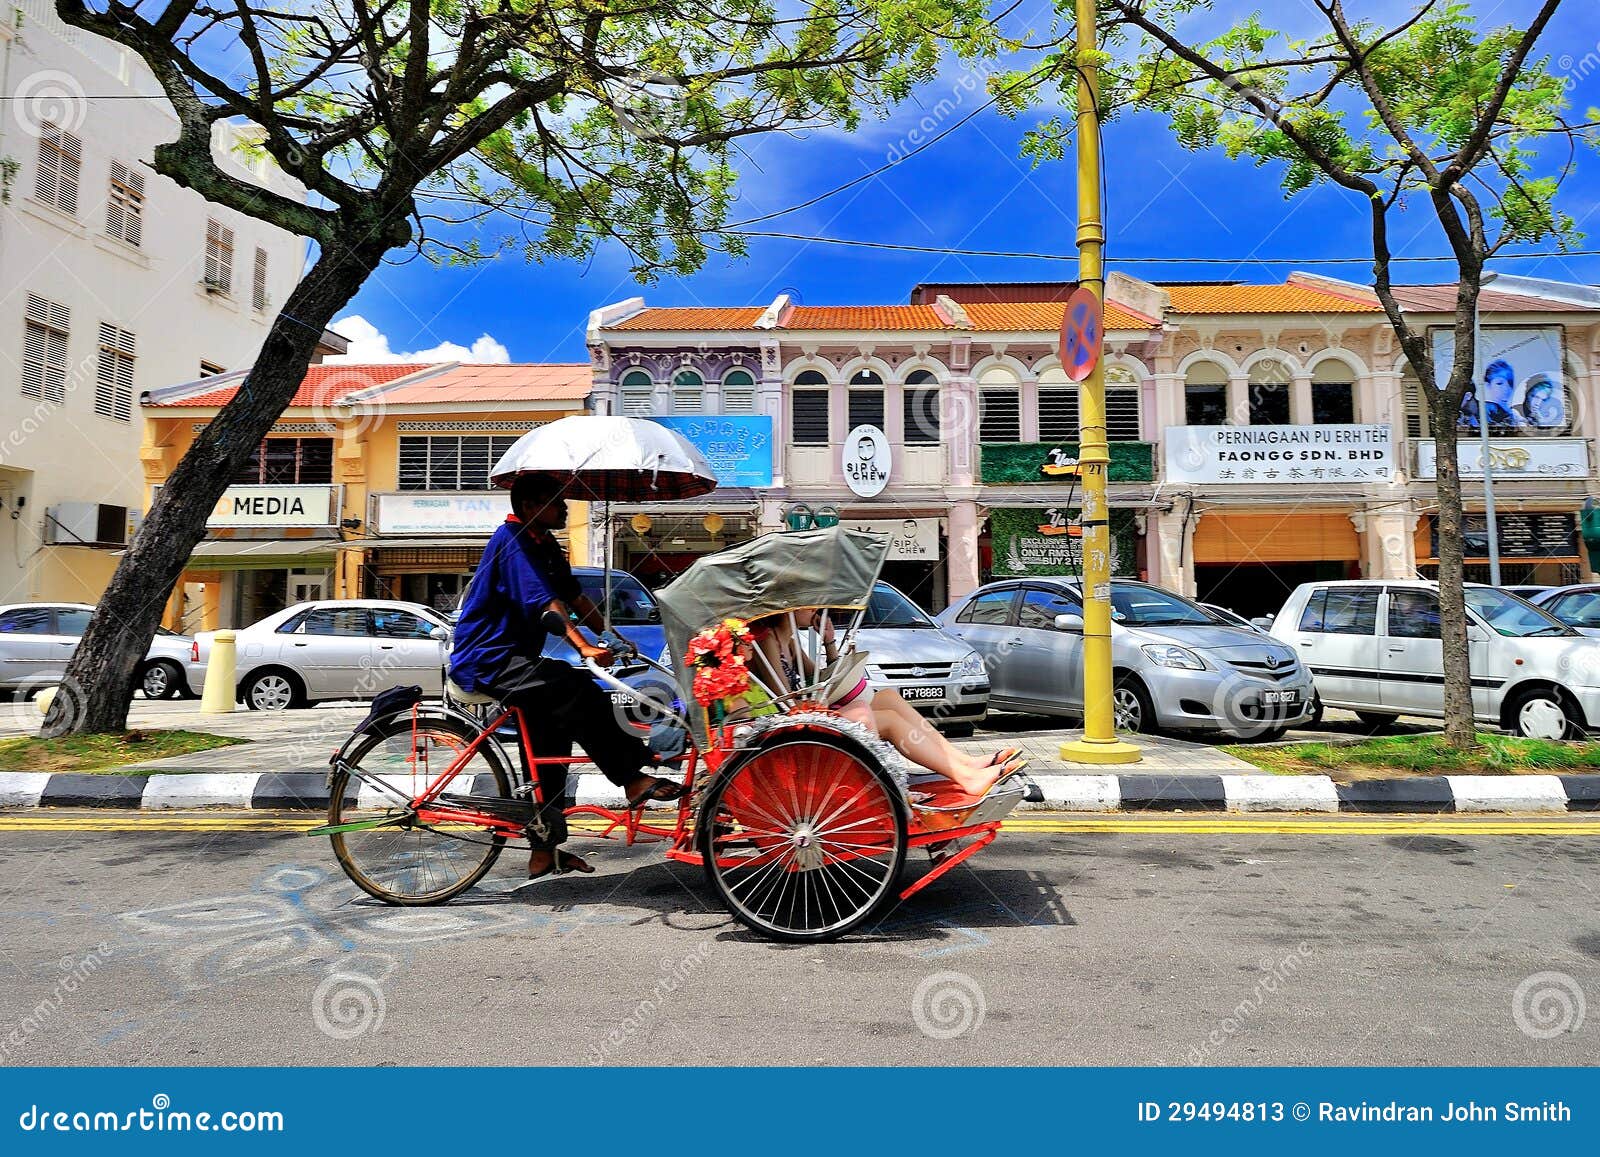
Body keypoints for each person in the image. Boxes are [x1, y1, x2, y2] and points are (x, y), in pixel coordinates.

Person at [449, 473, 685, 881]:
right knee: (577, 689)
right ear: (529, 507)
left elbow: (574, 597)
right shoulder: (512, 542)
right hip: (488, 660)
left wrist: (611, 637)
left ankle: (543, 851)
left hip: (517, 658)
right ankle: (631, 778)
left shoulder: (546, 545)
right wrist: (582, 647)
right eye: (556, 501)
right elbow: (547, 605)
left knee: (550, 747)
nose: (564, 508)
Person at [744, 609, 1021, 797]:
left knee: (887, 697)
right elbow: (784, 696)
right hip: (791, 724)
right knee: (886, 719)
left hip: (807, 715)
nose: (816, 609)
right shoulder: (767, 640)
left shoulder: (789, 640)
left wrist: (828, 642)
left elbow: (824, 676)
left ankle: (963, 763)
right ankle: (965, 777)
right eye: (808, 604)